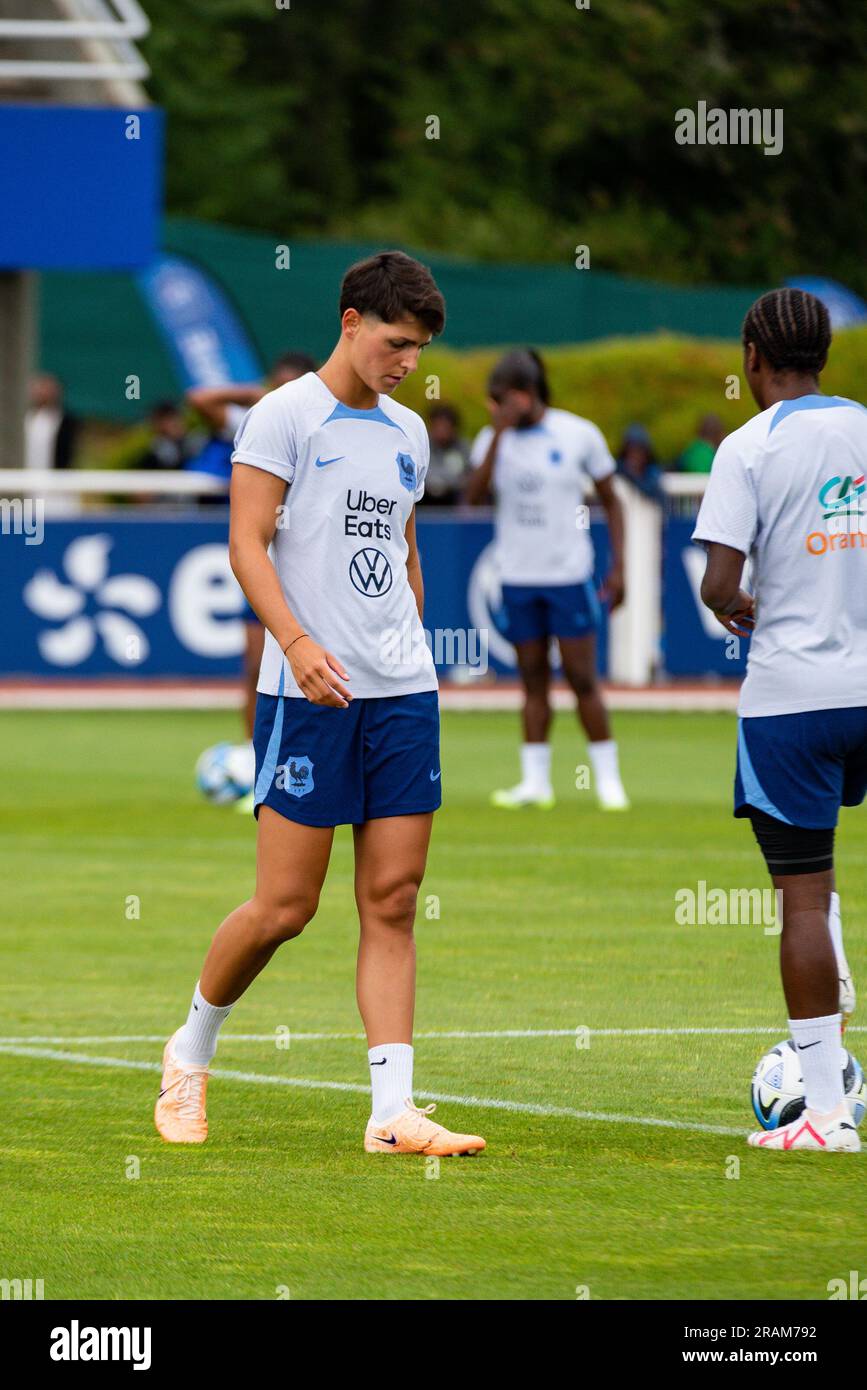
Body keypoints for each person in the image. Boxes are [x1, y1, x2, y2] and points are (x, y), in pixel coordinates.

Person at [155, 251, 486, 1158]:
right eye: (394, 342)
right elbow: (246, 543)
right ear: (350, 322)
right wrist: (296, 646)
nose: (405, 363)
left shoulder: (408, 434)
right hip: (306, 695)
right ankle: (189, 1052)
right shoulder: (283, 415)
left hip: (401, 690)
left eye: (416, 350)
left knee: (393, 896)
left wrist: (407, 641)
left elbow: (405, 547)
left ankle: (391, 1112)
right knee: (285, 907)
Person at [693, 286, 865, 1154]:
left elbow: (718, 587)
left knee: (805, 900)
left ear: (752, 359)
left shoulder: (745, 447)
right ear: (825, 355)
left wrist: (744, 607)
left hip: (793, 698)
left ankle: (827, 1116)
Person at [464, 349, 629, 811]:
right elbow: (472, 498)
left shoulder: (578, 433)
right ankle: (535, 783)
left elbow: (613, 500)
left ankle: (609, 782)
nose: (495, 409)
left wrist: (620, 567)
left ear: (524, 394)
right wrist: (497, 435)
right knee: (532, 681)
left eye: (501, 400)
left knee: (581, 678)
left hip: (567, 574)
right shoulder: (491, 439)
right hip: (516, 576)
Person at [186, 353, 318, 752]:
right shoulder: (256, 421)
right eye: (277, 385)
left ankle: (307, 758)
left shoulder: (320, 429)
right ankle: (253, 757)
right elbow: (200, 400)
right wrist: (252, 392)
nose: (282, 394)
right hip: (265, 562)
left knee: (317, 670)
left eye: (290, 386)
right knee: (256, 668)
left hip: (311, 566)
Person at [420, 403, 472, 505]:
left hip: (454, 502)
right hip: (424, 502)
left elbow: (468, 478)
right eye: (437, 426)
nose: (441, 431)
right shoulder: (422, 446)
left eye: (445, 427)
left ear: (454, 428)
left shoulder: (463, 448)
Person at [137, 401, 200, 471]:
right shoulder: (150, 460)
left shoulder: (202, 448)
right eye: (168, 420)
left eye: (177, 418)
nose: (175, 424)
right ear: (157, 426)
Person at [615, 423, 664, 502]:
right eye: (630, 451)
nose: (635, 456)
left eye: (639, 451)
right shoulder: (616, 472)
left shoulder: (654, 475)